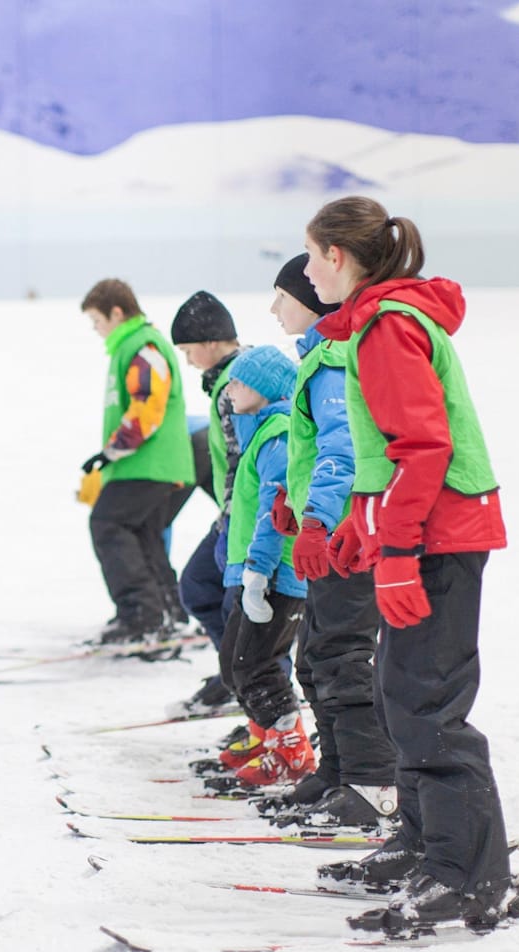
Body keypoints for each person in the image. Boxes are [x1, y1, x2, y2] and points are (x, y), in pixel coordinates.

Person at [300, 195, 513, 932]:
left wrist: (395, 551)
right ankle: (424, 846)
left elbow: (424, 450)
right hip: (427, 530)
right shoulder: (374, 325)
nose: (304, 271)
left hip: (443, 537)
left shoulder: (388, 326)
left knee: (429, 703)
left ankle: (470, 876)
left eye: (310, 255)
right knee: (401, 694)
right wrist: (364, 528)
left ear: (336, 256)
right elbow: (380, 453)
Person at [265, 253, 397, 829]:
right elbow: (316, 450)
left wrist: (317, 517)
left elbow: (343, 451)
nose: (274, 309)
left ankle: (373, 781)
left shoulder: (334, 363)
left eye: (283, 296)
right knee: (316, 655)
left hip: (349, 537)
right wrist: (293, 503)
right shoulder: (317, 358)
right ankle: (341, 771)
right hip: (329, 532)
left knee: (342, 655)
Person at [204, 345, 315, 790]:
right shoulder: (259, 431)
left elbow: (275, 511)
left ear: (265, 388)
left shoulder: (277, 436)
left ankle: (291, 752)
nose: (229, 390)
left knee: (255, 665)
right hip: (253, 571)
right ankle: (263, 737)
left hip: (273, 575)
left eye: (240, 383)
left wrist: (258, 570)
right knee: (236, 664)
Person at [79, 278, 195, 644]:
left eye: (98, 321)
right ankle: (168, 612)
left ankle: (141, 616)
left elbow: (147, 404)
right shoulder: (131, 347)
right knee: (144, 535)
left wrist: (114, 449)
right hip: (151, 464)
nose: (97, 331)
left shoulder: (142, 346)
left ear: (117, 312)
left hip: (147, 463)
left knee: (108, 525)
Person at [166, 291, 243, 717]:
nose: (188, 358)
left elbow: (244, 459)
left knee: (245, 610)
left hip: (247, 520)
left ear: (211, 340)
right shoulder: (221, 382)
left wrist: (235, 519)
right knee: (197, 587)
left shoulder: (239, 384)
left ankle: (257, 685)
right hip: (232, 515)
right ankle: (233, 672)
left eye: (188, 348)